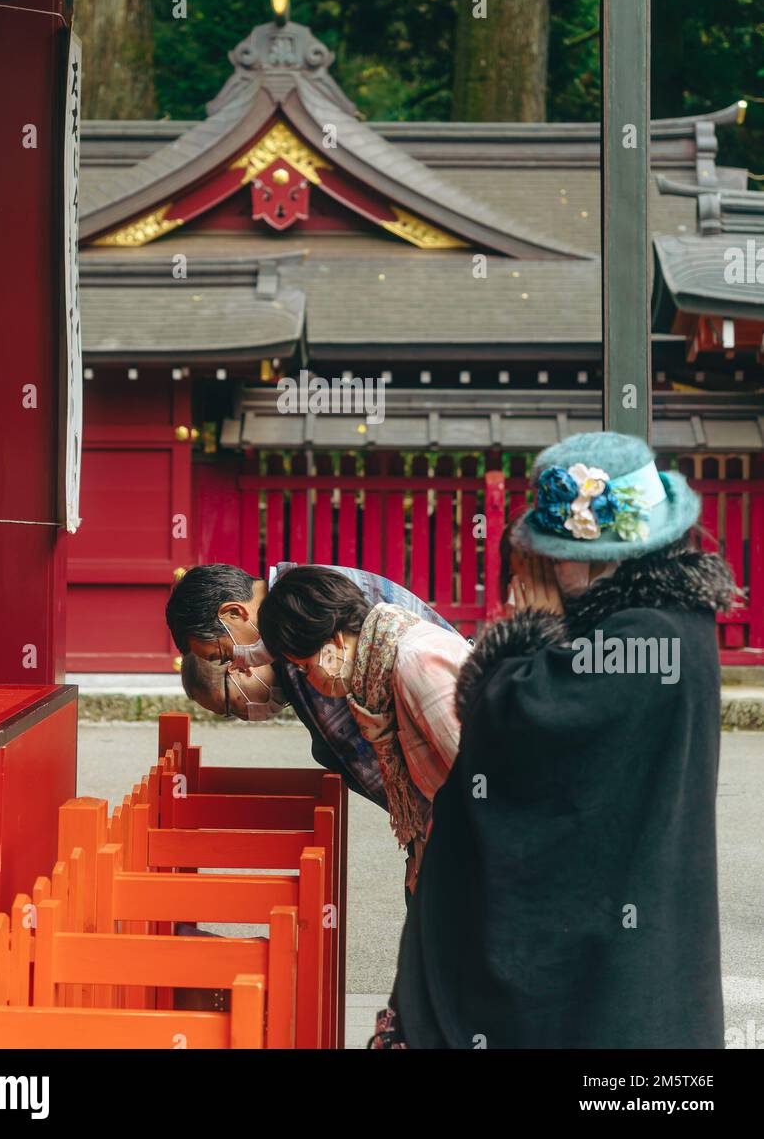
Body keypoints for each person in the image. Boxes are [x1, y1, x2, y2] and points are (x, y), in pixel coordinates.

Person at [377, 430, 735, 1049]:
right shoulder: (667, 621)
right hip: (631, 951)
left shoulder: (644, 637)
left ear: (604, 556)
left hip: (614, 970)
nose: (547, 566)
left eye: (557, 552)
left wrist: (528, 632)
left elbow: (513, 726)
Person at [165, 561, 457, 808]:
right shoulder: (298, 604)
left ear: (234, 613)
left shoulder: (308, 616)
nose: (240, 664)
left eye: (226, 654)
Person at [257, 565, 472, 889]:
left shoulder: (414, 661)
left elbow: (480, 777)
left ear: (334, 641)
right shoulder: (378, 679)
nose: (309, 680)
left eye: (304, 666)